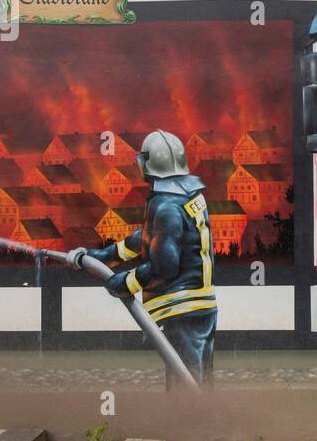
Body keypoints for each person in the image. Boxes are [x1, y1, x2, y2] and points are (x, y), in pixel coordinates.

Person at [69, 130, 217, 389]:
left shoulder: (166, 204)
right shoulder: (188, 195)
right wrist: (108, 255)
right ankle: (206, 424)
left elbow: (164, 267)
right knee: (199, 379)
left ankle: (191, 427)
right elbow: (156, 236)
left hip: (180, 307)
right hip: (201, 305)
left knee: (185, 385)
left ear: (146, 162)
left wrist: (123, 283)